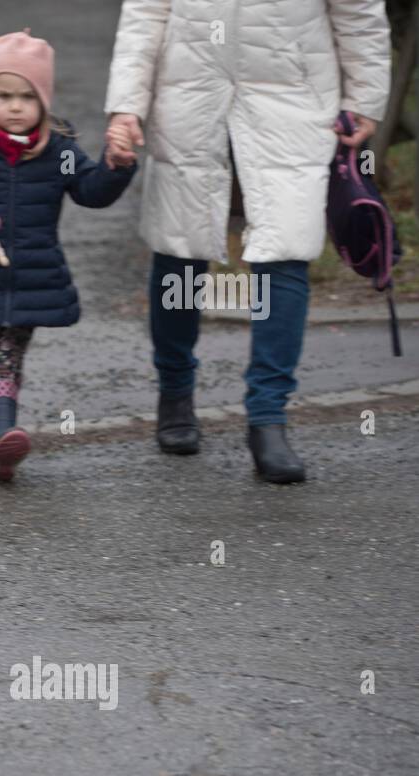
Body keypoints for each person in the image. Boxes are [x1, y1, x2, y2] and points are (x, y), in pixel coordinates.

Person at [103, 0, 391, 483]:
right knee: (180, 249)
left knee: (286, 251)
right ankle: (175, 392)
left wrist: (365, 96)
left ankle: (268, 418)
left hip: (294, 97)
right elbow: (146, 13)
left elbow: (358, 11)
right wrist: (126, 106)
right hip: (188, 89)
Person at [0, 29, 138, 482]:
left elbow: (90, 191)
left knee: (9, 357)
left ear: (44, 100)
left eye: (27, 96)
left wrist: (115, 164)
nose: (15, 106)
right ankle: (1, 428)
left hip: (34, 279)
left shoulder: (58, 151)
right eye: (4, 95)